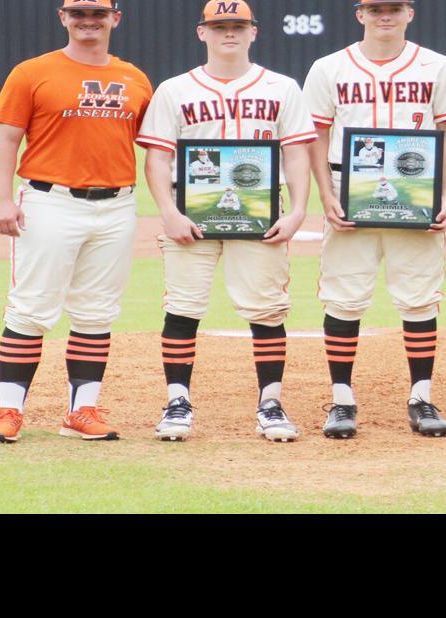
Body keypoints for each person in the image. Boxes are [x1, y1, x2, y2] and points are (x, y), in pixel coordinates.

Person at [137, 0, 314, 443]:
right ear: (202, 32)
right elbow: (157, 157)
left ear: (254, 31)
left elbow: (296, 153)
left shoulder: (282, 87)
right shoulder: (175, 90)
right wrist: (168, 212)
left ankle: (270, 403)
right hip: (190, 215)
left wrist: (297, 211)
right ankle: (177, 402)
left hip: (260, 216)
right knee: (183, 307)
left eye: (237, 25)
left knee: (267, 309)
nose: (228, 33)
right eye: (219, 26)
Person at [0, 0, 153, 444]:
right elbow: (5, 139)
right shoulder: (32, 72)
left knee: (96, 311)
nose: (88, 21)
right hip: (50, 200)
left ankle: (81, 411)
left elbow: (156, 146)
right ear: (63, 18)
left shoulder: (134, 78)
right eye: (78, 13)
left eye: (97, 13)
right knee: (31, 307)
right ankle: (9, 411)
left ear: (115, 18)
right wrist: (1, 199)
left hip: (117, 204)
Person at [304, 0, 446, 439]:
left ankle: (421, 397)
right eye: (375, 9)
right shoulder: (329, 67)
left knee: (419, 297)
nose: (385, 16)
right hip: (349, 190)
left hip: (417, 189)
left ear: (410, 13)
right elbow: (317, 134)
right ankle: (341, 400)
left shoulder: (438, 67)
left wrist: (443, 194)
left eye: (394, 7)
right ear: (360, 15)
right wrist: (326, 194)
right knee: (343, 297)